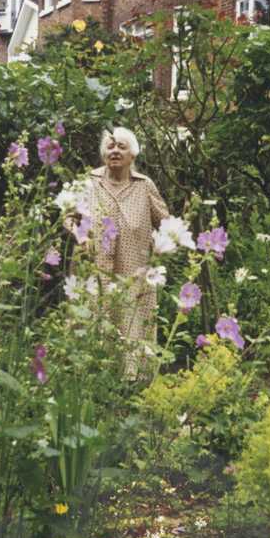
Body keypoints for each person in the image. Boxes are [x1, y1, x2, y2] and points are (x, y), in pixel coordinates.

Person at [67, 127, 170, 380]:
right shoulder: (89, 182)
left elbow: (165, 222)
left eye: (121, 147)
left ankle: (133, 381)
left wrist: (160, 249)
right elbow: (68, 216)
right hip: (93, 267)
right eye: (110, 147)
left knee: (131, 320)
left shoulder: (144, 186)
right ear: (104, 154)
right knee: (92, 315)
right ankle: (89, 376)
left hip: (133, 269)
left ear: (132, 155)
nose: (115, 151)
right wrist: (79, 235)